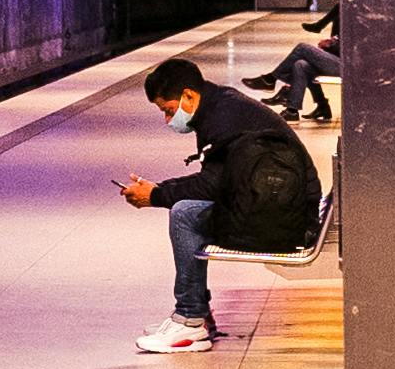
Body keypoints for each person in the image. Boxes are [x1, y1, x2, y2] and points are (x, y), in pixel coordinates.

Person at [120, 53, 320, 352]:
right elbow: (217, 178)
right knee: (187, 208)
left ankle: (191, 320)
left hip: (284, 217)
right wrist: (159, 189)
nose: (167, 120)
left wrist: (157, 195)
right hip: (279, 205)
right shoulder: (218, 105)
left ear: (188, 95)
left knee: (184, 213)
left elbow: (212, 185)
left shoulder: (221, 117)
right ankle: (195, 311)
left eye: (169, 110)